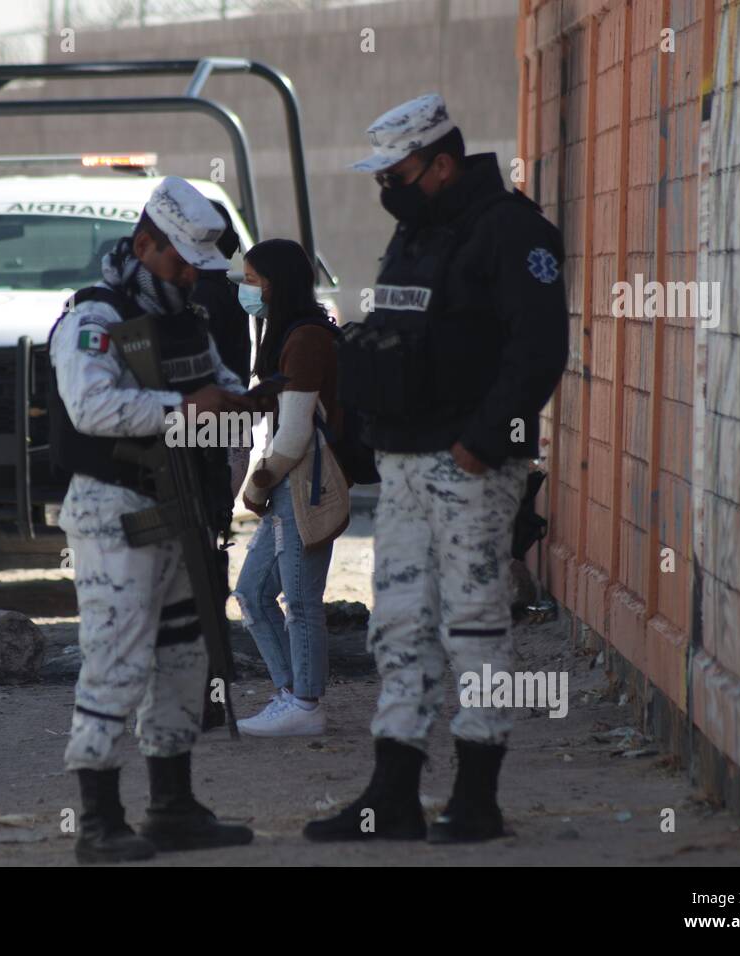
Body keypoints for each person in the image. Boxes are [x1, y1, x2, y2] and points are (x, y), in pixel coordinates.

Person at [304, 94, 567, 843]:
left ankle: (477, 797)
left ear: (442, 163)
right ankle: (392, 795)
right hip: (406, 466)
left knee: (474, 624)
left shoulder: (513, 233)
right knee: (399, 625)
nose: (387, 188)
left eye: (398, 172)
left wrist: (482, 442)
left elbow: (538, 349)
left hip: (470, 468)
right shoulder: (417, 234)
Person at [48, 176, 264, 863]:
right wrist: (185, 412)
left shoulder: (186, 318)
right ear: (144, 244)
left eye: (199, 271)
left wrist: (243, 401)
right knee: (116, 658)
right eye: (178, 264)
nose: (191, 281)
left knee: (182, 659)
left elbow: (217, 381)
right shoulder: (94, 317)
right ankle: (99, 820)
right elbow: (93, 409)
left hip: (182, 510)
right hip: (117, 511)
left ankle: (172, 806)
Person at [233, 239, 343, 737]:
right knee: (253, 593)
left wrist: (258, 484)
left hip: (304, 485)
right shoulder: (286, 335)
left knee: (300, 600)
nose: (246, 289)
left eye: (253, 279)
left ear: (276, 282)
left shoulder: (306, 339)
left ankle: (306, 703)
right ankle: (290, 692)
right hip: (289, 484)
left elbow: (295, 433)